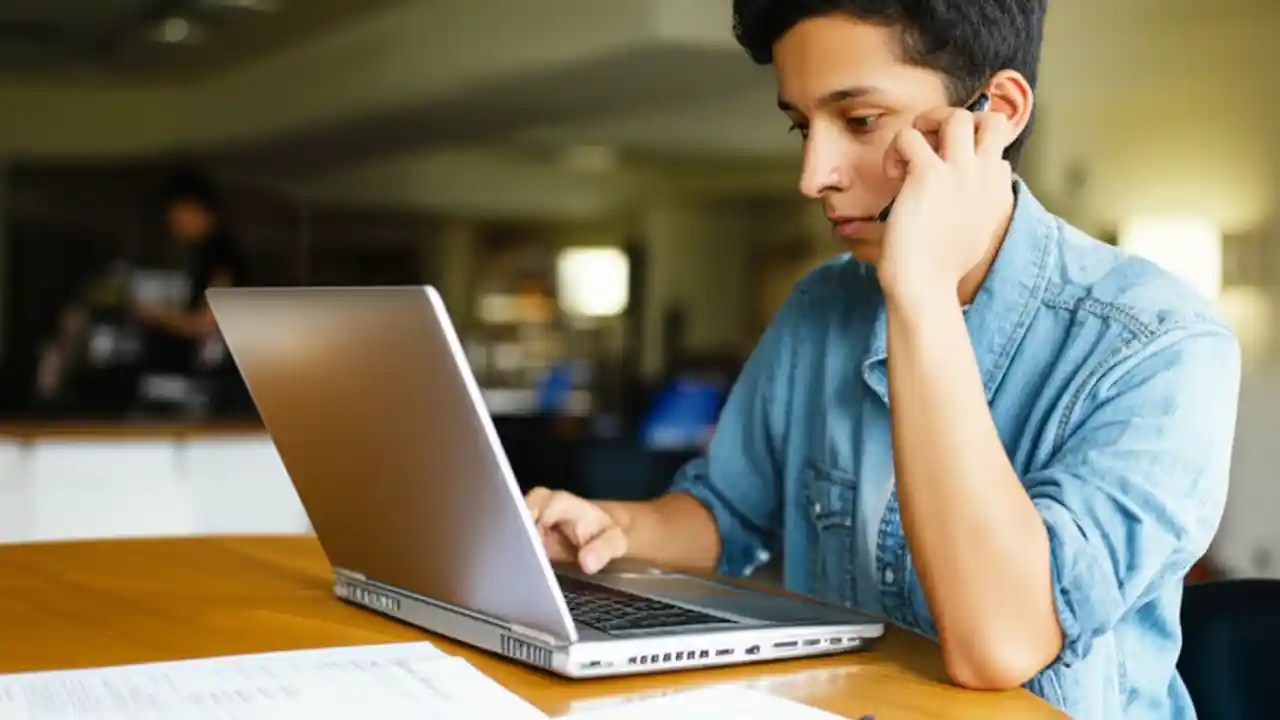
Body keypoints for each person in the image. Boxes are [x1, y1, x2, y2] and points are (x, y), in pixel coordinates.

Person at [524, 2, 1240, 717]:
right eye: (801, 127)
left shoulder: (1161, 346)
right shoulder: (821, 305)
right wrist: (612, 528)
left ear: (994, 113)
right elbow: (724, 512)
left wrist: (921, 293)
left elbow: (999, 642)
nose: (813, 175)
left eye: (861, 121)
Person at [135, 168, 246, 375]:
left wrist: (155, 314)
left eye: (179, 219)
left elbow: (206, 324)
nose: (173, 226)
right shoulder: (201, 253)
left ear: (201, 212)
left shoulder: (223, 254)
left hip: (218, 372)